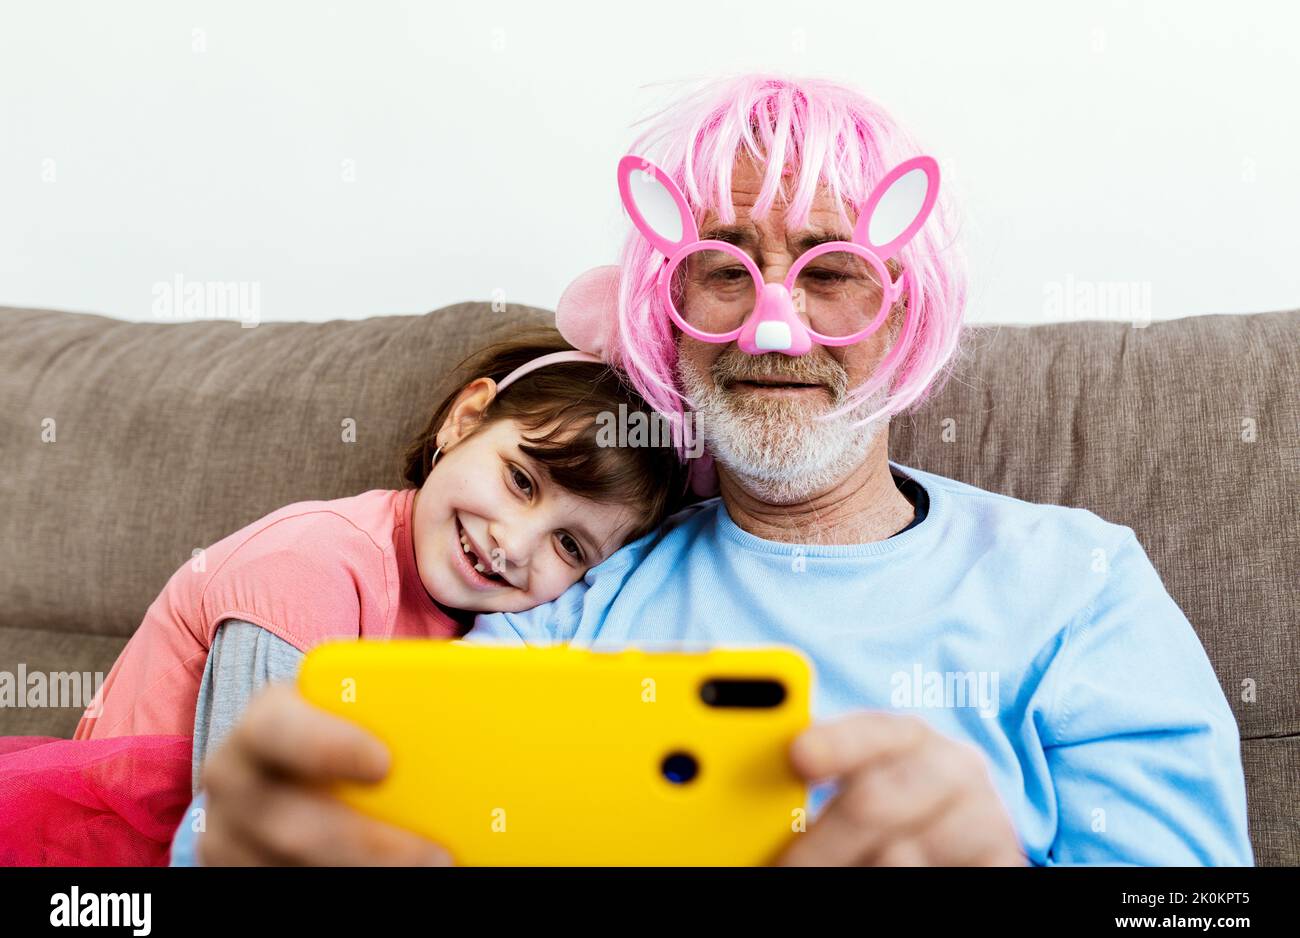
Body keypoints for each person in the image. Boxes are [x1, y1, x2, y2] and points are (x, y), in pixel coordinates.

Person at [178, 73, 1253, 866]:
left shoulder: (1079, 583)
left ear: (909, 312)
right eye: (720, 271)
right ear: (663, 314)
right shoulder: (575, 596)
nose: (774, 330)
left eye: (834, 273)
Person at [75, 327, 687, 803]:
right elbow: (244, 824)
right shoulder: (308, 565)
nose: (516, 544)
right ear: (465, 419)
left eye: (570, 546)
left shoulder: (501, 632)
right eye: (521, 480)